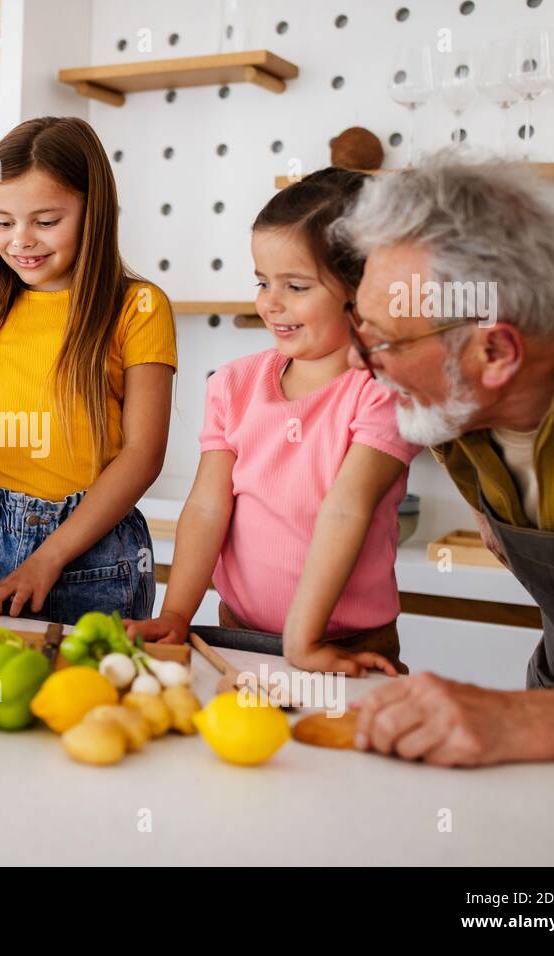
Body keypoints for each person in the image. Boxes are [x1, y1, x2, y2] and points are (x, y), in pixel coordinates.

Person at [329, 152, 554, 764]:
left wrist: (521, 720)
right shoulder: (455, 401)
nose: (354, 360)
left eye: (382, 341)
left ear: (497, 352)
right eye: (357, 325)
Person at [127, 169, 419, 676]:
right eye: (262, 282)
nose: (271, 302)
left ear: (363, 289)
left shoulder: (385, 390)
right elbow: (206, 506)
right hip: (236, 630)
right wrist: (176, 613)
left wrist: (302, 642)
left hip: (343, 644)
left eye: (296, 285)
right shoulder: (234, 384)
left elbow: (345, 511)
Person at [0, 116, 176, 624]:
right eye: (3, 222)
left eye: (46, 222)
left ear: (94, 211)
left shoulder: (140, 306)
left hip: (97, 558)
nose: (21, 240)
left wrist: (46, 560)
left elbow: (143, 455)